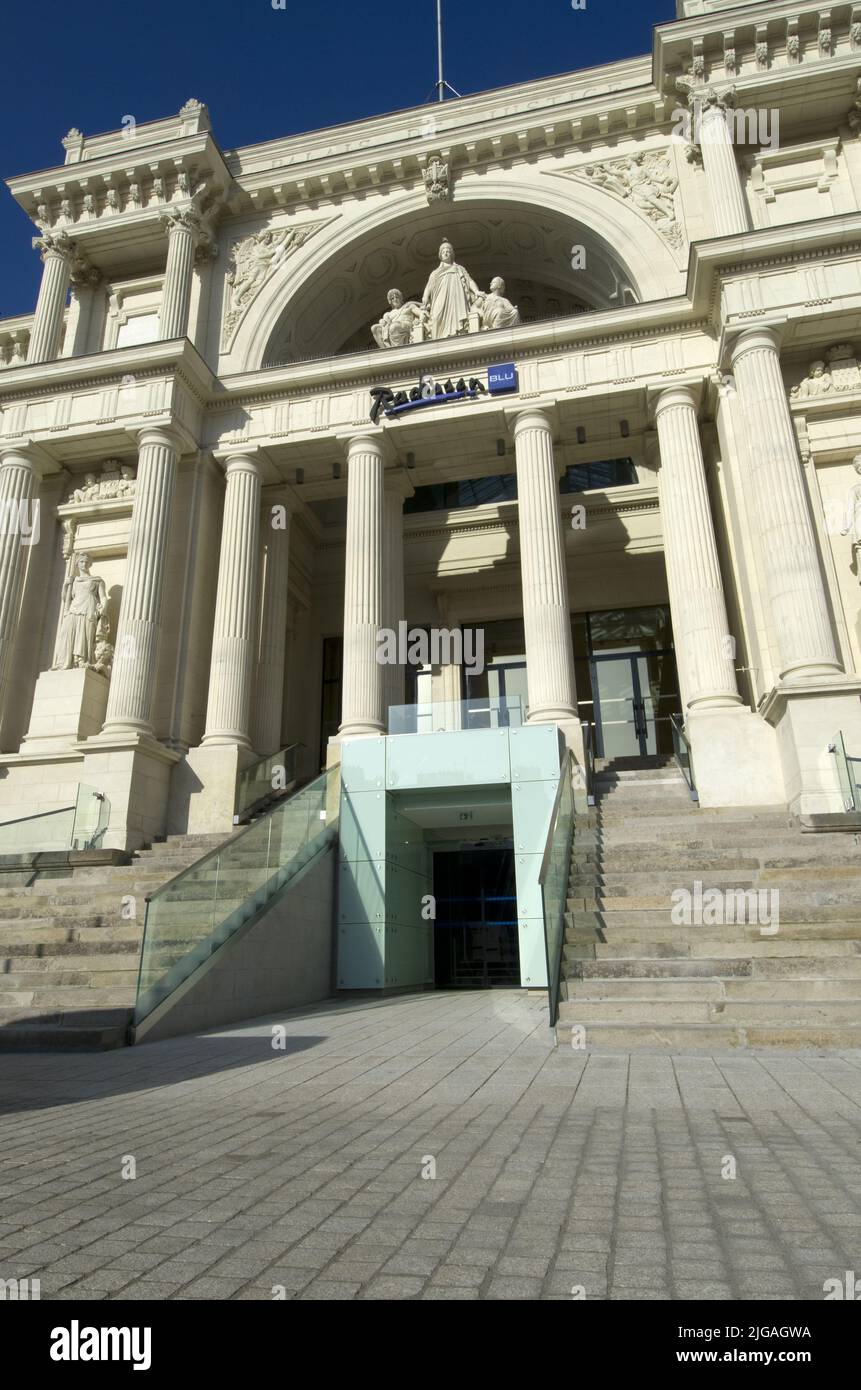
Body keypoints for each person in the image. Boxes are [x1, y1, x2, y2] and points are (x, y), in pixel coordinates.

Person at [51, 554, 108, 671]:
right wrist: (65, 585)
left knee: (83, 633)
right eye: (82, 562)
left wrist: (103, 608)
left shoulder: (97, 580)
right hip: (74, 608)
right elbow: (65, 598)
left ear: (90, 564)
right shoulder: (73, 580)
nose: (84, 564)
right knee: (66, 634)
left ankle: (81, 660)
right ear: (77, 564)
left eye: (87, 562)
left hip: (88, 608)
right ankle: (63, 662)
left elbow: (103, 598)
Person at [421, 241, 479, 340]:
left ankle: (460, 334)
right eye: (443, 251)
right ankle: (437, 340)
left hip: (457, 296)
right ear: (440, 255)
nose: (446, 253)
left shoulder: (459, 268)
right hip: (440, 296)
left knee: (458, 315)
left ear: (452, 254)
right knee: (436, 317)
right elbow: (429, 287)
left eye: (448, 251)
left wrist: (476, 291)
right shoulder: (435, 273)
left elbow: (469, 281)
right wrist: (425, 296)